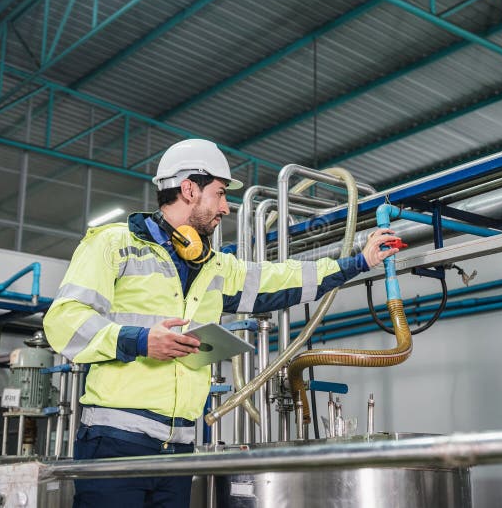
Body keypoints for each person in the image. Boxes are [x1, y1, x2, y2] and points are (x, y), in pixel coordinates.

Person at [43, 138, 401, 508]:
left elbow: (280, 279)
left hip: (180, 446)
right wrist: (141, 340)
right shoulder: (115, 244)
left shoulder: (215, 265)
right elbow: (64, 322)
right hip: (117, 439)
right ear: (188, 190)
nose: (226, 208)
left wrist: (357, 262)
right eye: (219, 194)